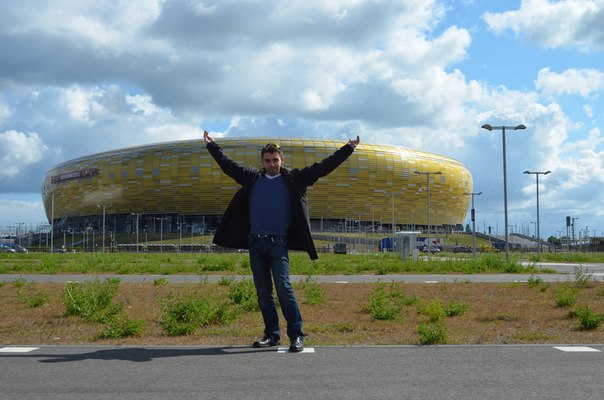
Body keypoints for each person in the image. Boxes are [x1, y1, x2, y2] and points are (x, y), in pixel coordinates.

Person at [204, 131, 360, 352]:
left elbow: (323, 167)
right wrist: (212, 146)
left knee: (284, 289)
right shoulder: (252, 178)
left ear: (282, 160)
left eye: (275, 160)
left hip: (278, 243)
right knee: (263, 292)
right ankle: (272, 334)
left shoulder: (295, 179)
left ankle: (296, 335)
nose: (272, 164)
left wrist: (348, 149)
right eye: (267, 161)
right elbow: (228, 166)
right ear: (262, 162)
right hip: (256, 243)